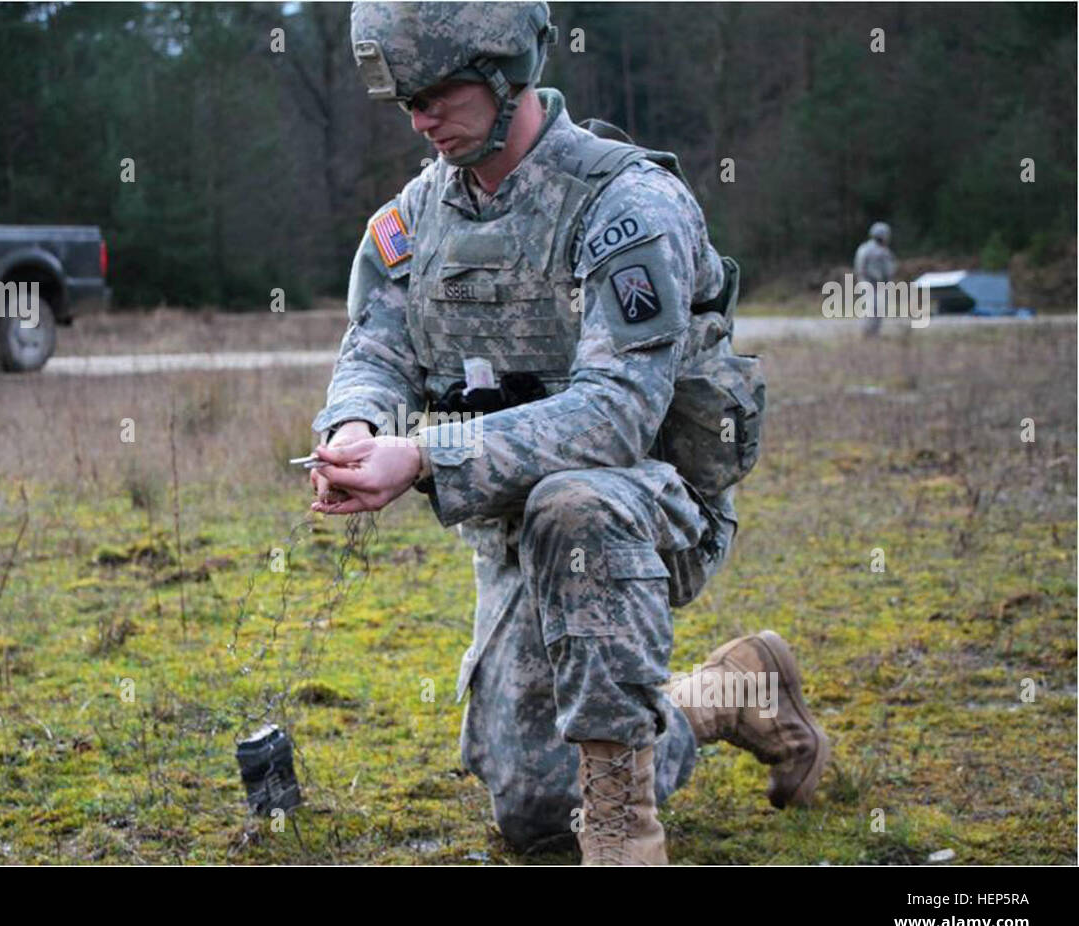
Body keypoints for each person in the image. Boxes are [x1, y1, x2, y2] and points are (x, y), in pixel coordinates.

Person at [307, 1, 828, 865]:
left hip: (650, 510)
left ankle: (624, 832)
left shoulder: (627, 205)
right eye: (405, 100)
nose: (419, 118)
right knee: (537, 812)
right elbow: (373, 350)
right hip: (518, 525)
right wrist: (357, 425)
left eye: (437, 93)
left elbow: (615, 415)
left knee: (573, 500)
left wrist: (424, 455)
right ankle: (733, 692)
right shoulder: (418, 218)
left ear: (506, 72)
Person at [854, 221, 897, 337]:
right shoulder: (871, 250)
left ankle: (873, 333)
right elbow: (862, 267)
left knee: (877, 309)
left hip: (876, 284)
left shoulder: (881, 250)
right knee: (872, 309)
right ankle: (868, 333)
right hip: (870, 283)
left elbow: (889, 268)